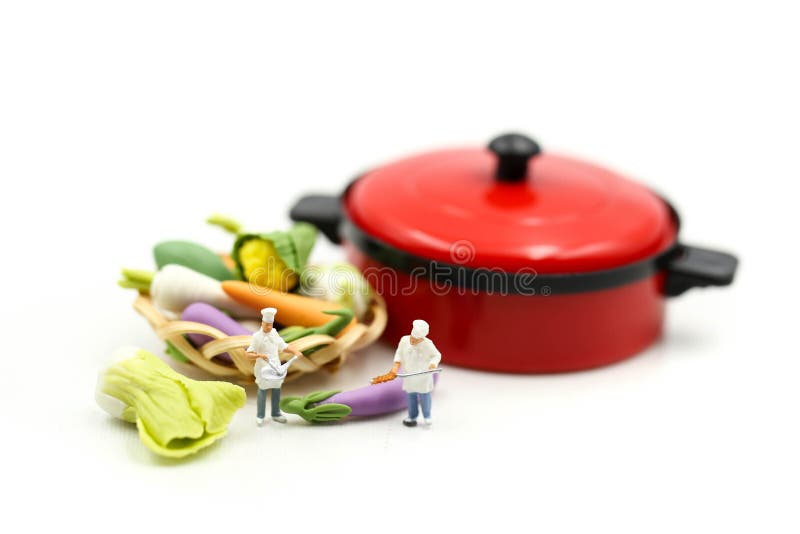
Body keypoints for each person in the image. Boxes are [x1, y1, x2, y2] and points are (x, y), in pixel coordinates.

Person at [372, 319, 441, 427]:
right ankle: (412, 416)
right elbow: (399, 353)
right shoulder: (404, 340)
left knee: (424, 396)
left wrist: (433, 364)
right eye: (413, 339)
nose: (413, 342)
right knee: (411, 396)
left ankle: (427, 416)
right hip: (409, 375)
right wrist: (395, 366)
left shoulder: (428, 344)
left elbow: (437, 355)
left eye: (417, 340)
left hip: (423, 376)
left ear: (422, 338)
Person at [246, 307, 303, 426]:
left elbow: (283, 346)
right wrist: (259, 355)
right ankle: (260, 415)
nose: (268, 327)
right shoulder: (257, 337)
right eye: (266, 325)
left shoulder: (274, 334)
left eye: (270, 325)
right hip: (263, 370)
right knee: (262, 391)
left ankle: (276, 413)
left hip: (276, 368)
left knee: (277, 390)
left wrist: (295, 351)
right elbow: (248, 354)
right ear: (262, 323)